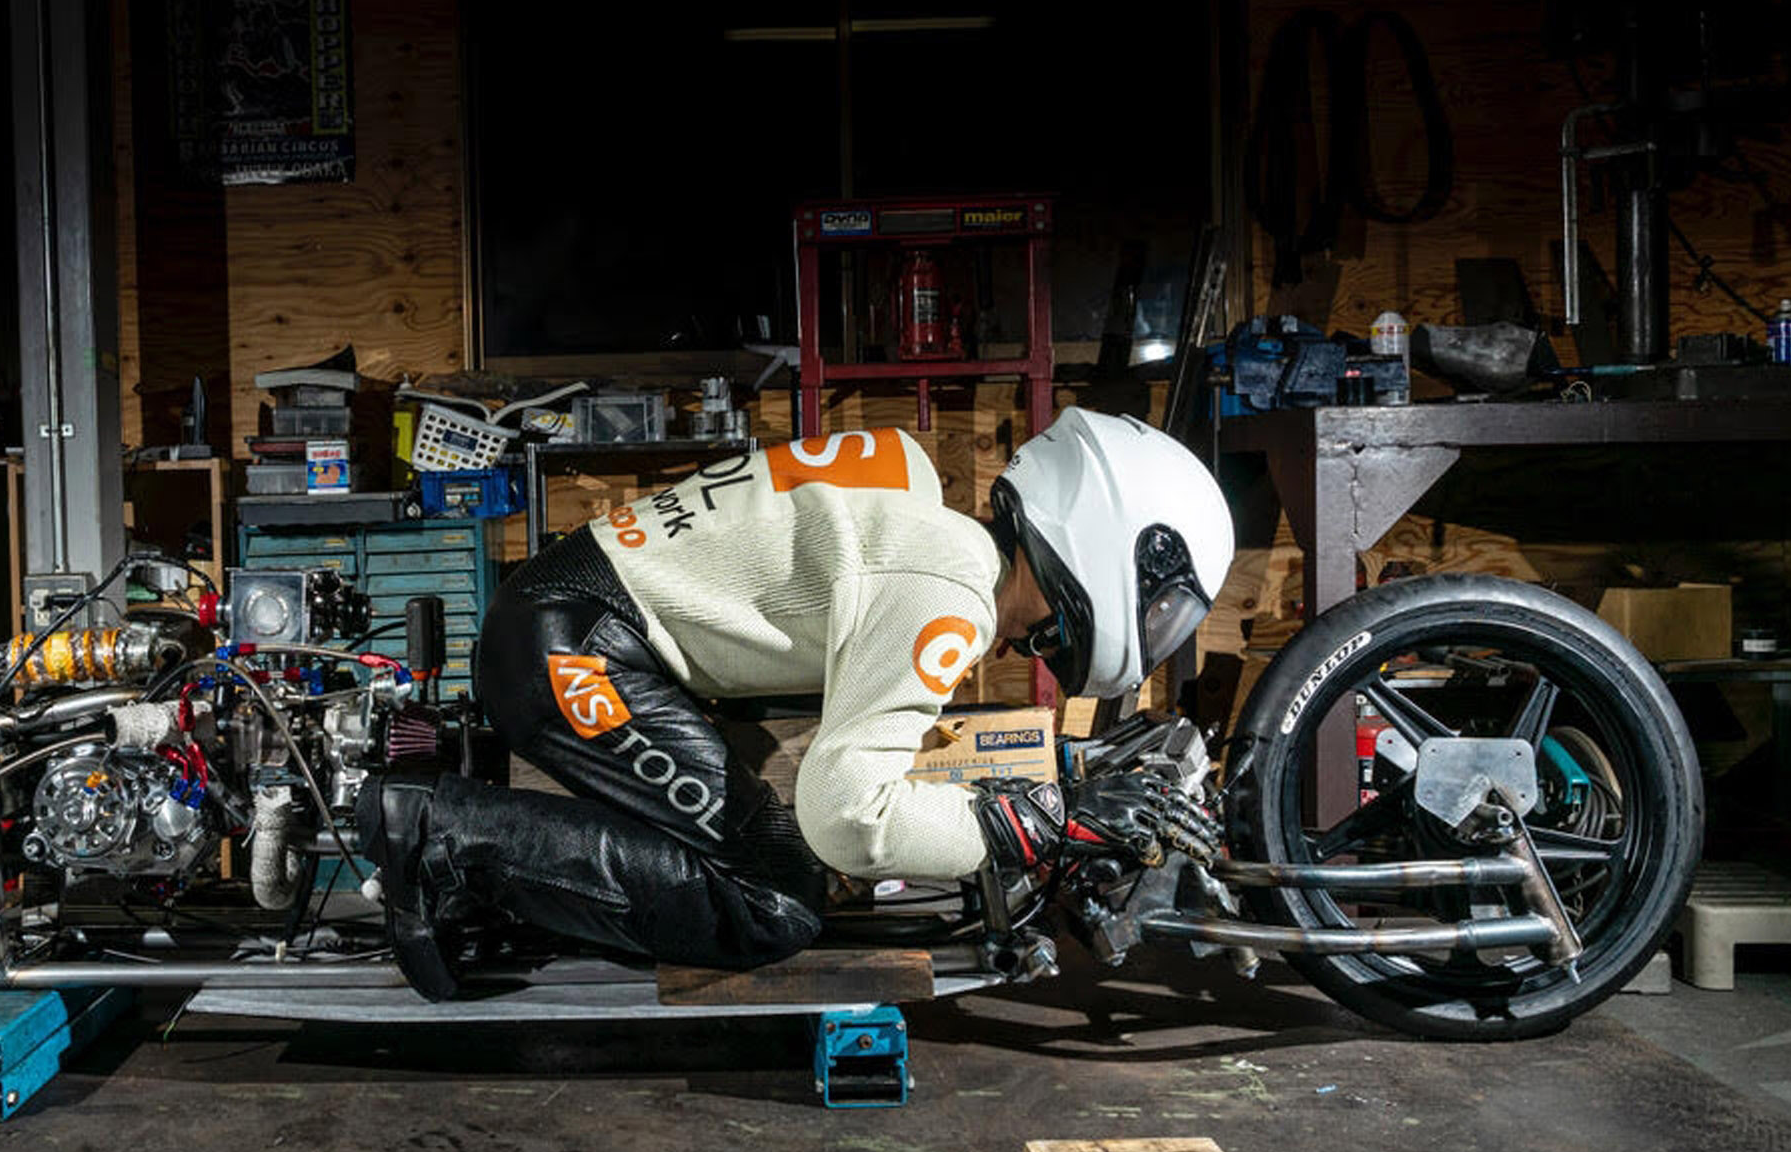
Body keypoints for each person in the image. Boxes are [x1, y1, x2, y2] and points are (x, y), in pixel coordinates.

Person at [357, 407, 1235, 999]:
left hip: (564, 622)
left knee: (746, 851)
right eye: (1158, 605)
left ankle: (474, 867)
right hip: (575, 643)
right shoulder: (950, 589)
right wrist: (1046, 819)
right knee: (775, 899)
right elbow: (845, 814)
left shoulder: (928, 526)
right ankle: (439, 832)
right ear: (1111, 544)